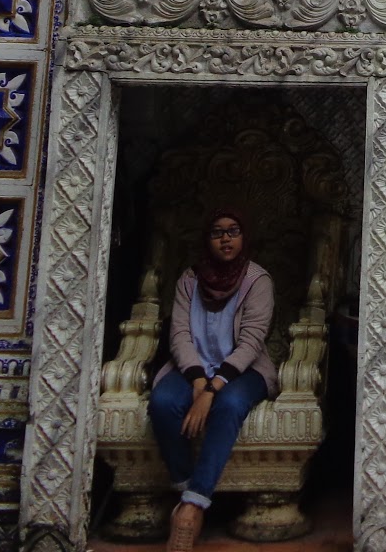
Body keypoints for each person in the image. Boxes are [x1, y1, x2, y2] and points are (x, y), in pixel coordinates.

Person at [149, 207, 277, 551]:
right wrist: (197, 381)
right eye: (217, 232)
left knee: (230, 404)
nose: (225, 239)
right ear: (207, 239)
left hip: (243, 371)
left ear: (244, 237)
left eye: (233, 231)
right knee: (162, 402)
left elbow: (251, 343)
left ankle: (192, 508)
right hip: (193, 368)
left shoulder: (257, 281)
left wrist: (211, 389)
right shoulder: (189, 280)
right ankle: (187, 489)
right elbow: (179, 335)